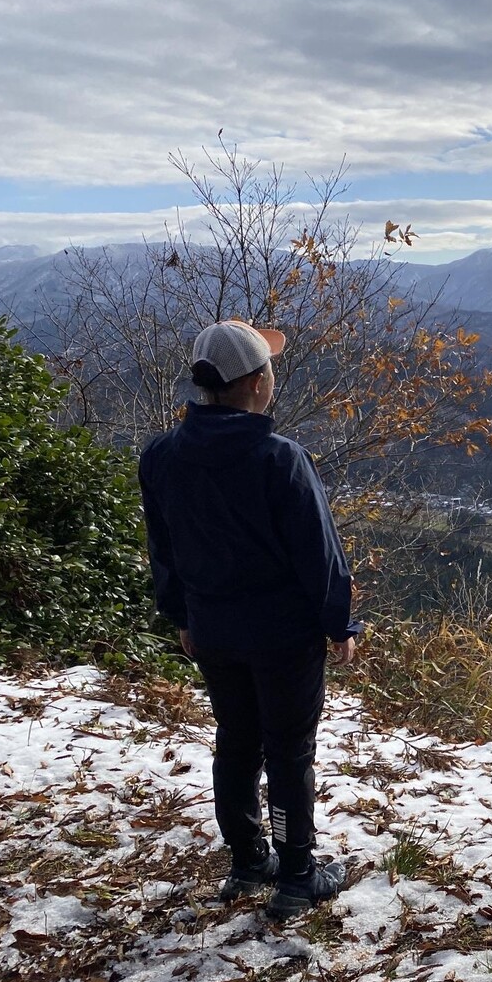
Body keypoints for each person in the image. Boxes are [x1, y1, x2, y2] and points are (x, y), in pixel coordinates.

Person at [138, 320, 361, 920]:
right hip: (282, 633)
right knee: (288, 749)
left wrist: (181, 615)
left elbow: (164, 548)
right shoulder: (279, 457)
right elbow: (318, 551)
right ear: (259, 382)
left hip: (212, 628)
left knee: (236, 741)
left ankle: (246, 860)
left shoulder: (161, 456)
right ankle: (297, 874)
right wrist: (339, 622)